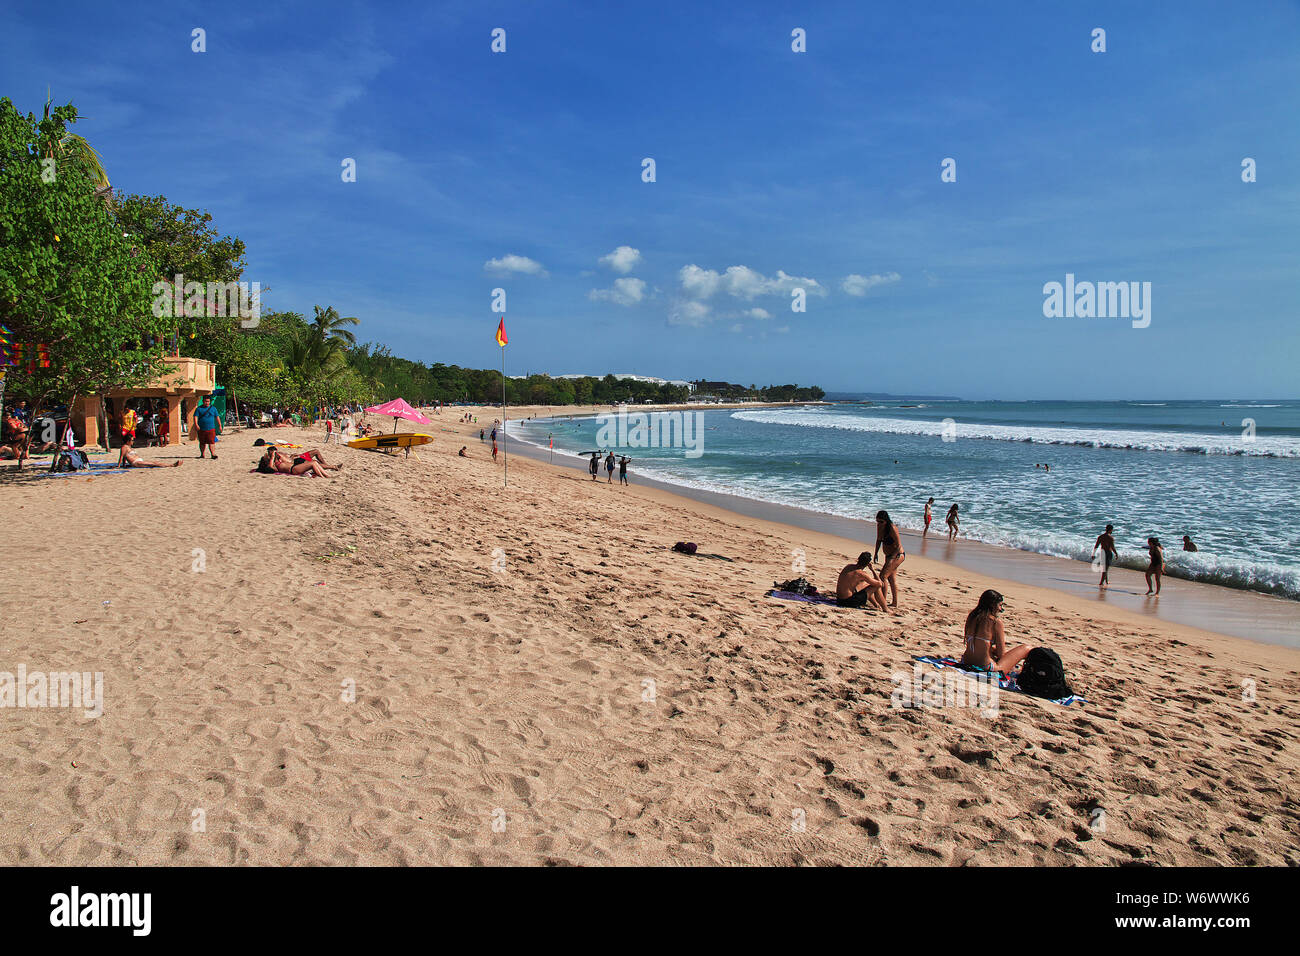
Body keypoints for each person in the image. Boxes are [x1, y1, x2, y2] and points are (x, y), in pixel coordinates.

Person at [959, 589, 1032, 675]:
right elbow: (1002, 655)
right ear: (993, 605)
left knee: (992, 649)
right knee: (1026, 648)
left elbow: (978, 643)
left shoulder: (972, 616)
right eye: (1000, 605)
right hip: (986, 668)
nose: (1001, 609)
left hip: (966, 661)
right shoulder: (995, 622)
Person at [873, 510, 906, 608]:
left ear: (886, 521)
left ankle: (883, 600)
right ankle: (894, 603)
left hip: (897, 555)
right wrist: (876, 553)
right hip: (889, 556)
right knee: (891, 579)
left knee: (883, 576)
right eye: (877, 521)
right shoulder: (880, 527)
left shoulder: (892, 528)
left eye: (881, 522)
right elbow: (879, 540)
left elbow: (898, 545)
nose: (879, 524)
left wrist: (892, 558)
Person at [1092, 524, 1118, 588]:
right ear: (1111, 530)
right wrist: (1116, 553)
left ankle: (1106, 580)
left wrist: (1093, 554)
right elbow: (1112, 547)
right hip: (1108, 553)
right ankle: (1101, 582)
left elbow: (1096, 546)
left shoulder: (1100, 537)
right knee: (1105, 568)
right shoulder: (1111, 538)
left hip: (1102, 553)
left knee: (1104, 568)